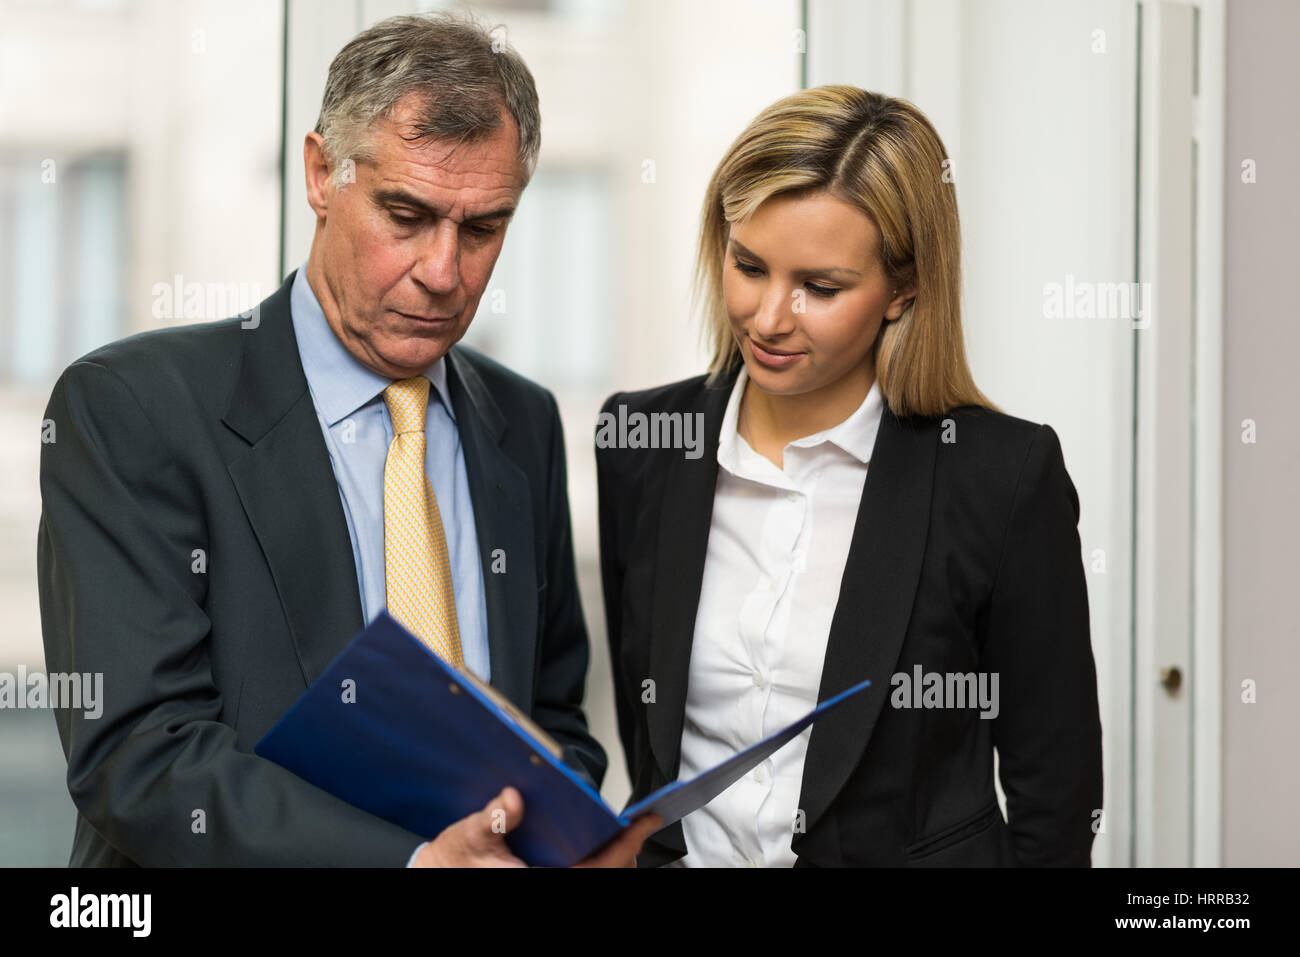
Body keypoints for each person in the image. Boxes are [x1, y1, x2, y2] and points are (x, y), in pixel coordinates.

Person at [37, 11, 658, 868]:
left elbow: (553, 721)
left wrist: (559, 826)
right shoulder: (133, 408)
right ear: (322, 173)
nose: (444, 272)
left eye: (482, 229)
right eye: (406, 213)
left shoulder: (524, 422)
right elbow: (140, 759)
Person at [596, 86, 1103, 867]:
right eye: (749, 266)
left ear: (904, 288)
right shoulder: (641, 443)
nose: (769, 317)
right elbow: (651, 740)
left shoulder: (1001, 478)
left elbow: (1056, 796)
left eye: (821, 288)